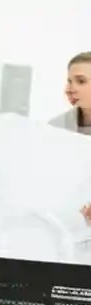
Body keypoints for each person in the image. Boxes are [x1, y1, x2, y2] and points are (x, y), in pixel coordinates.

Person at [50, 54, 91, 225]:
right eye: (69, 81)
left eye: (80, 81)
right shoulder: (55, 128)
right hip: (69, 226)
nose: (69, 89)